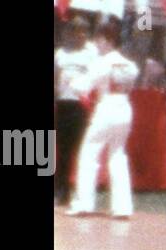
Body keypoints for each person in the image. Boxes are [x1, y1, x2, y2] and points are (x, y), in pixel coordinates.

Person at [68, 20, 139, 219]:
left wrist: (71, 82)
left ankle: (84, 203)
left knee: (89, 153)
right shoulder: (130, 65)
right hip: (124, 108)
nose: (97, 44)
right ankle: (122, 207)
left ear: (107, 40)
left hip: (106, 108)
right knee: (118, 155)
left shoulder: (102, 63)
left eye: (99, 39)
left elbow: (82, 86)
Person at [54, 17, 98, 206]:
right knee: (62, 150)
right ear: (70, 32)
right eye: (75, 30)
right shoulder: (61, 53)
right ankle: (60, 191)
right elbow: (56, 78)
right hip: (64, 103)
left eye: (82, 31)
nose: (78, 34)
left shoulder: (92, 53)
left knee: (81, 150)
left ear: (86, 34)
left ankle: (80, 192)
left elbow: (96, 78)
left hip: (81, 106)